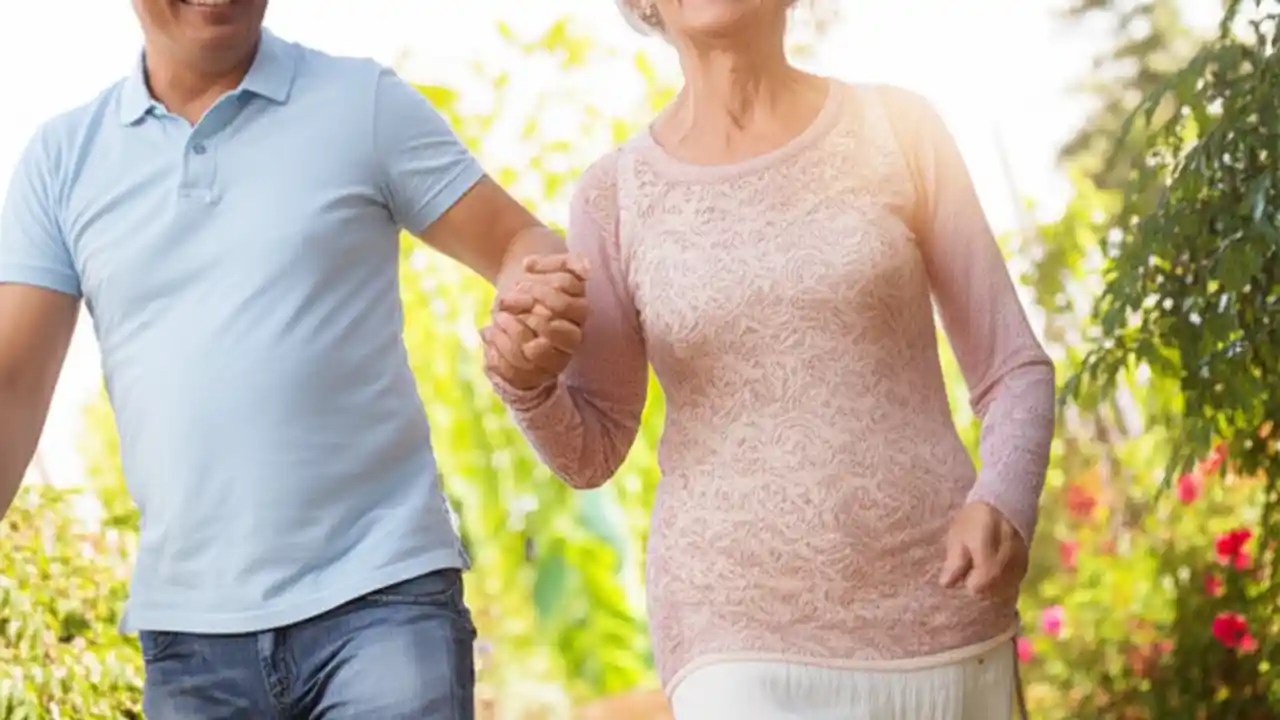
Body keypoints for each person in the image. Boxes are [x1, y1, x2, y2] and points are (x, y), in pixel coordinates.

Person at [0, 1, 588, 718]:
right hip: (191, 641)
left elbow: (520, 242)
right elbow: (11, 386)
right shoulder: (63, 161)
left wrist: (539, 293)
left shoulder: (360, 104)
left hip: (383, 603)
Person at [481, 0, 1056, 717]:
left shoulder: (900, 128)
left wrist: (1003, 498)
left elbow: (1014, 369)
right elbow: (591, 450)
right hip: (732, 629)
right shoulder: (615, 194)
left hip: (937, 605)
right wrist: (527, 384)